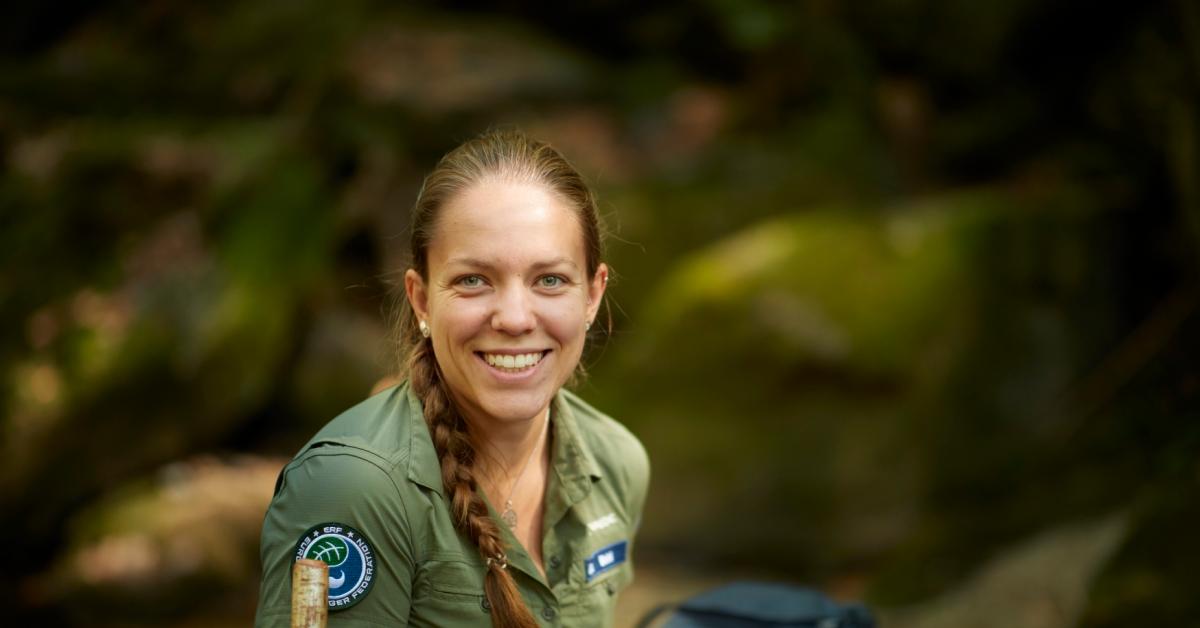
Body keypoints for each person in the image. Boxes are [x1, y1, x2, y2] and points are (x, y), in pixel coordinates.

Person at [254, 129, 650, 627]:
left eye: (549, 280)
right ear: (421, 299)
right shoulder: (352, 489)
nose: (514, 318)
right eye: (473, 280)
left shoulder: (616, 463)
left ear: (592, 295)